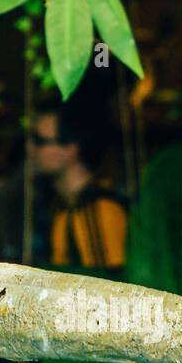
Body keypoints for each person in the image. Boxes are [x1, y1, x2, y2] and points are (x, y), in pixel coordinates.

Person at [31, 102, 128, 272]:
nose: (31, 149)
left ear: (70, 149)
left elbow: (110, 283)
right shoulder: (63, 204)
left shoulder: (99, 208)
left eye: (40, 141)